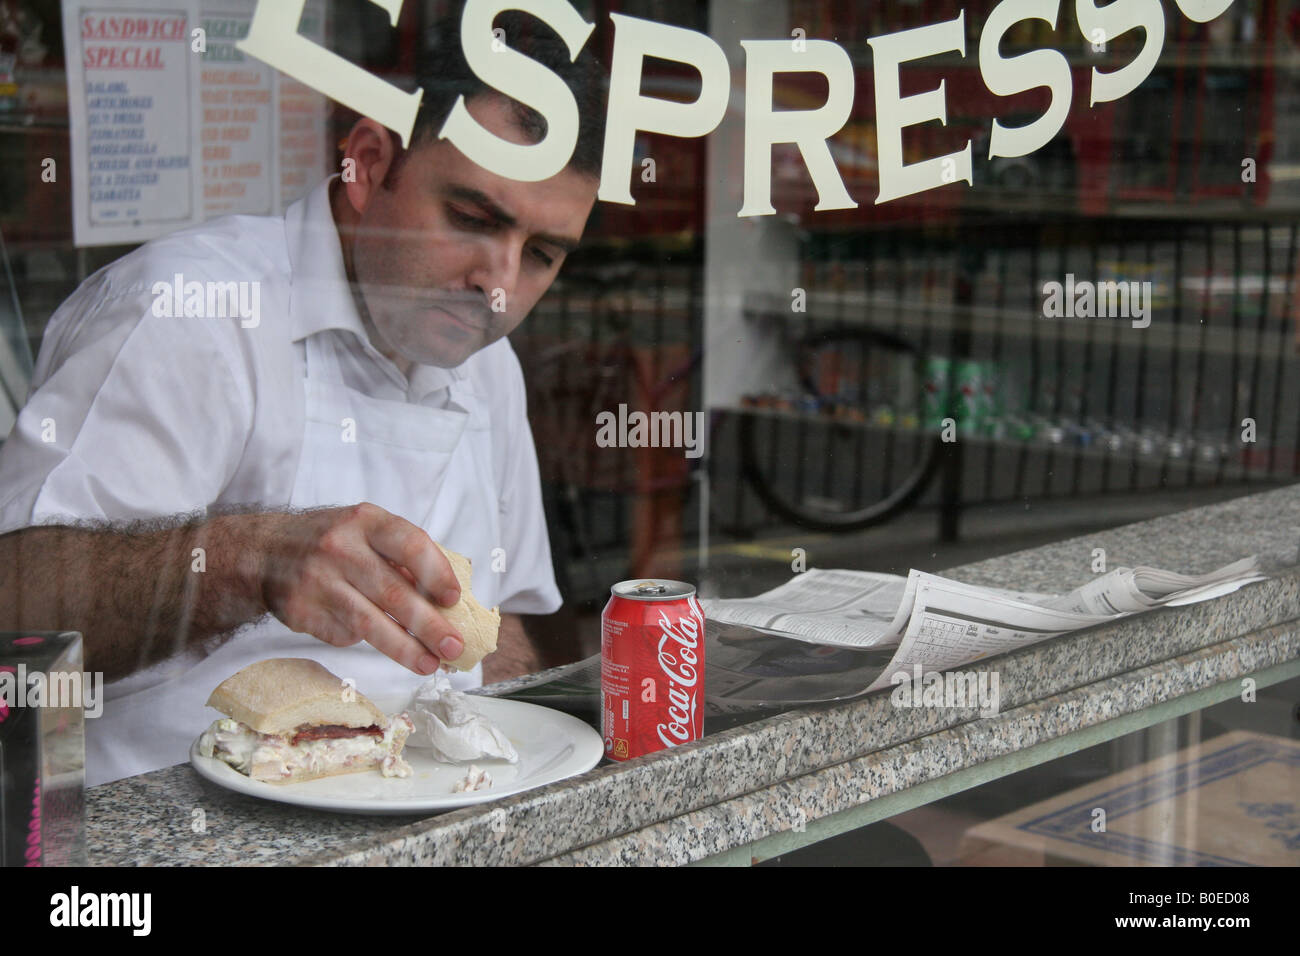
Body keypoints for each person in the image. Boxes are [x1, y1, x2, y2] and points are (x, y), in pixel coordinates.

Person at [0, 12, 607, 785]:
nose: (499, 285)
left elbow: (506, 622)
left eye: (543, 254)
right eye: (471, 218)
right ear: (365, 163)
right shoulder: (192, 311)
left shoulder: (488, 363)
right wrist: (249, 561)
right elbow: (17, 608)